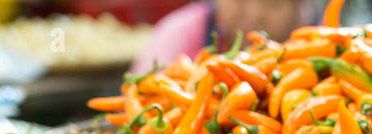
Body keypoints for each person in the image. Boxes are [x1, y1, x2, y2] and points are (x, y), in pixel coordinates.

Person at [130, 0, 323, 74]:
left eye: (273, 3)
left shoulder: (325, 44)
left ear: (304, 7)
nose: (255, 14)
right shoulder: (177, 37)